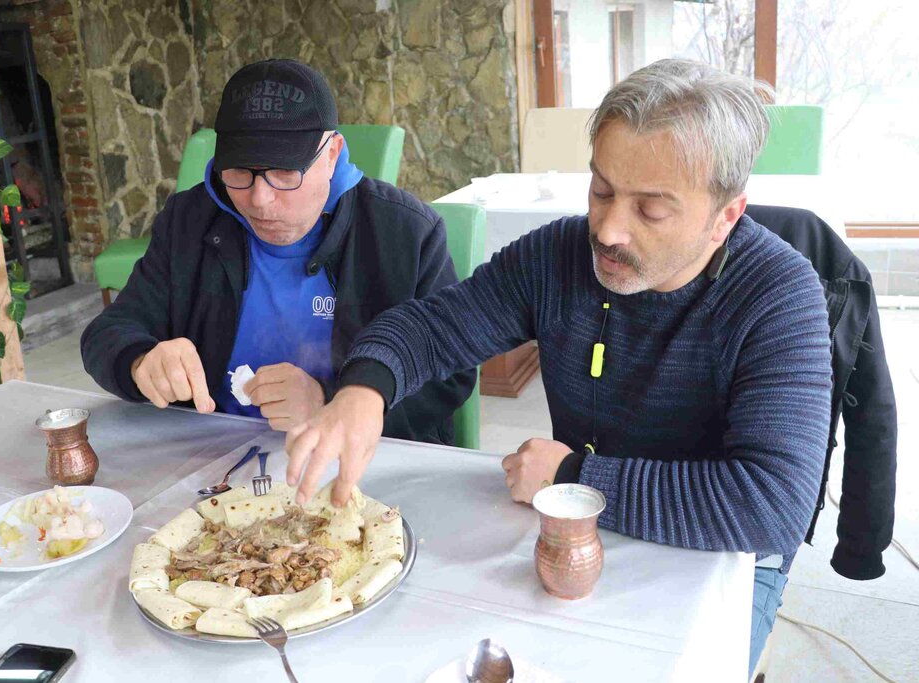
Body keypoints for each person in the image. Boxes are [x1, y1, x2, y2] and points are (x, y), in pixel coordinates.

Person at [283, 59, 833, 676]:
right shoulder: (558, 256)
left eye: (651, 211)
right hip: (575, 531)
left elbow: (770, 505)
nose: (609, 230)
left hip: (725, 556)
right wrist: (364, 388)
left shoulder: (779, 295)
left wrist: (574, 478)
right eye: (601, 190)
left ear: (725, 217)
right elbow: (435, 327)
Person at [81, 58, 474, 445]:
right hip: (213, 453)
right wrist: (140, 360)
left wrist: (329, 402)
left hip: (356, 457)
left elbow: (450, 374)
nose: (260, 200)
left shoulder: (406, 232)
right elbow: (109, 331)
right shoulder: (190, 219)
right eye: (240, 172)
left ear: (332, 154)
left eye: (286, 173)